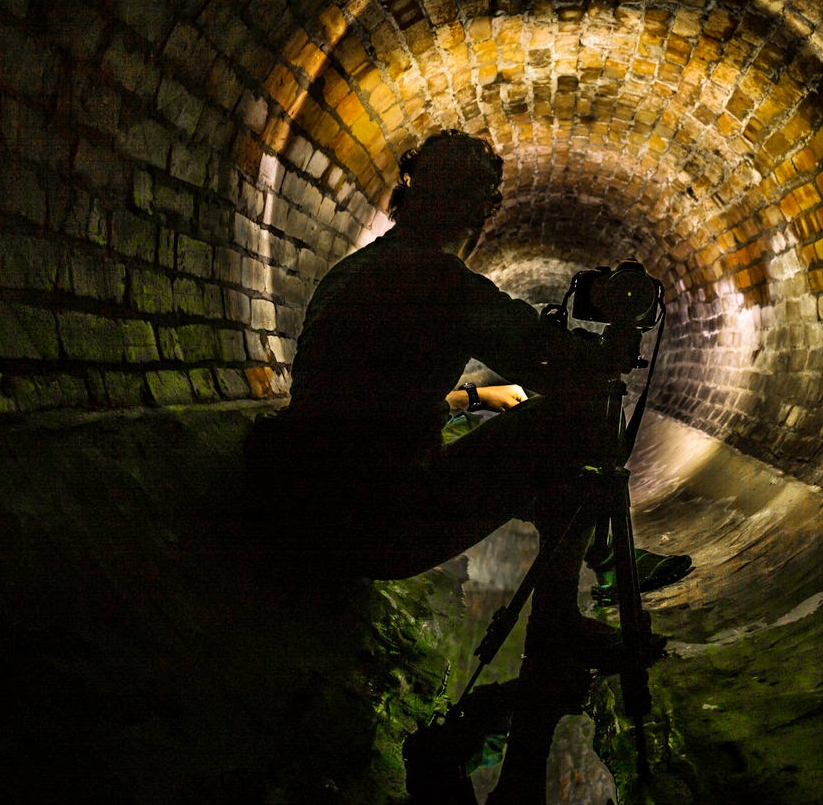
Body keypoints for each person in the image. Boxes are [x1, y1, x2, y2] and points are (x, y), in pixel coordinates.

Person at [260, 130, 634, 662]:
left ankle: (567, 534)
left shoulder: (355, 270)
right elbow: (558, 369)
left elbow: (381, 396)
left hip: (304, 508)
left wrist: (479, 399)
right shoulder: (440, 280)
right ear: (475, 214)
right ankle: (558, 624)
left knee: (519, 424)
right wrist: (606, 354)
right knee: (577, 420)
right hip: (379, 527)